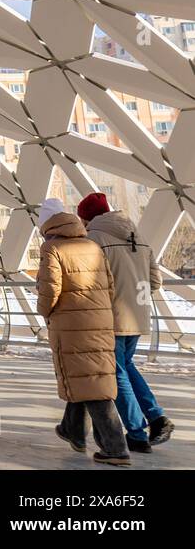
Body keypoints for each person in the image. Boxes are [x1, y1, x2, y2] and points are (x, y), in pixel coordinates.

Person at [35, 198, 130, 466]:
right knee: (88, 377)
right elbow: (110, 285)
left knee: (91, 383)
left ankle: (116, 448)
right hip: (99, 320)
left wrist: (45, 310)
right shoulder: (91, 245)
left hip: (71, 324)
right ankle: (72, 430)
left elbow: (50, 289)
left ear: (46, 225)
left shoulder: (51, 248)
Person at [79, 192, 175, 452]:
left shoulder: (93, 239)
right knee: (126, 366)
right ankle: (156, 417)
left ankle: (136, 432)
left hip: (111, 317)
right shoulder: (138, 235)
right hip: (139, 314)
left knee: (116, 373)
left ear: (87, 217)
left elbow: (90, 283)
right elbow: (155, 281)